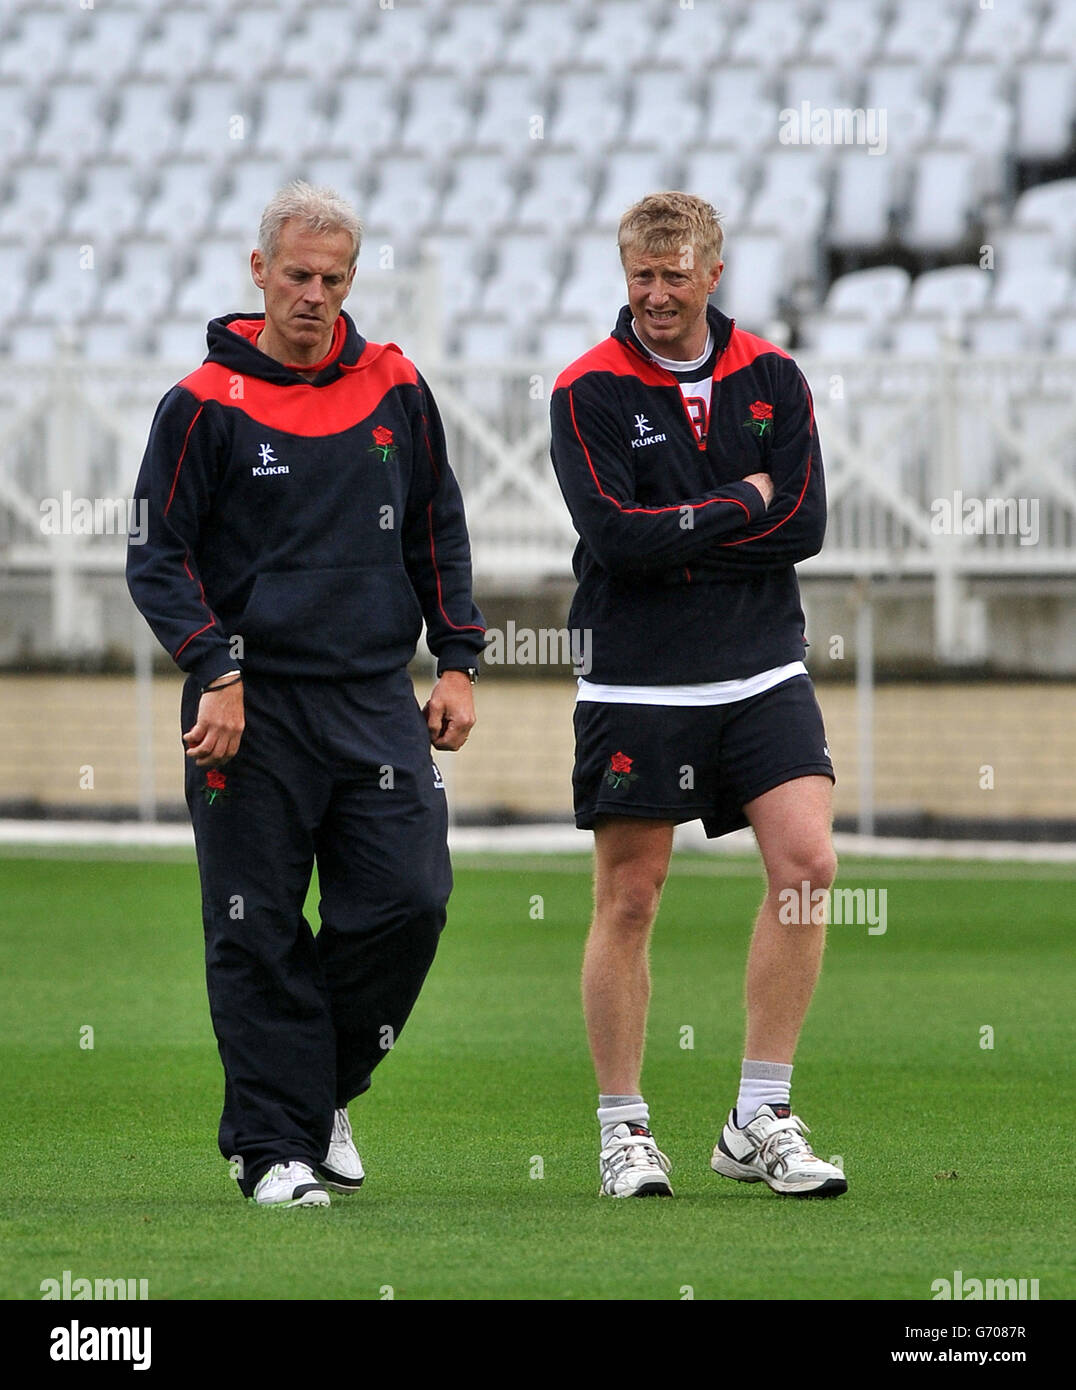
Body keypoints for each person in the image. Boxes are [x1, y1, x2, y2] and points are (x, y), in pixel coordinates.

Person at [127, 182, 485, 1208]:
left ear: (351, 282)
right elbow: (157, 558)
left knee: (410, 899)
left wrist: (457, 656)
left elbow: (436, 527)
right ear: (258, 273)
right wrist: (216, 666)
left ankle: (319, 1091)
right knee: (256, 925)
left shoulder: (394, 385)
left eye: (333, 279)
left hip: (375, 694)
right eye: (296, 275)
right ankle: (270, 1150)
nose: (314, 295)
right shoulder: (202, 404)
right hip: (251, 706)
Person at [549, 192, 846, 1200]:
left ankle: (758, 1112)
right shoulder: (585, 387)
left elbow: (803, 521)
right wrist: (738, 502)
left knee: (806, 862)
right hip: (636, 672)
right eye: (640, 275)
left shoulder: (771, 374)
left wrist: (683, 530)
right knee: (630, 894)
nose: (655, 294)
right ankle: (622, 1127)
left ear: (712, 272)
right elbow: (618, 539)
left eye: (674, 276)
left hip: (761, 663)